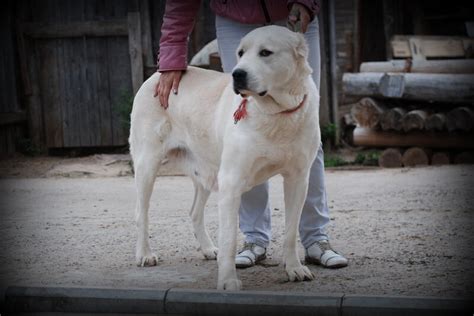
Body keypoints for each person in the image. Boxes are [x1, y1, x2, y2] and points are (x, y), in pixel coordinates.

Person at [155, 0, 348, 269]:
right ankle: (254, 239)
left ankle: (315, 238)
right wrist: (172, 55)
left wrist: (306, 2)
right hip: (235, 19)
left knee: (304, 134)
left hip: (292, 15)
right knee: (244, 137)